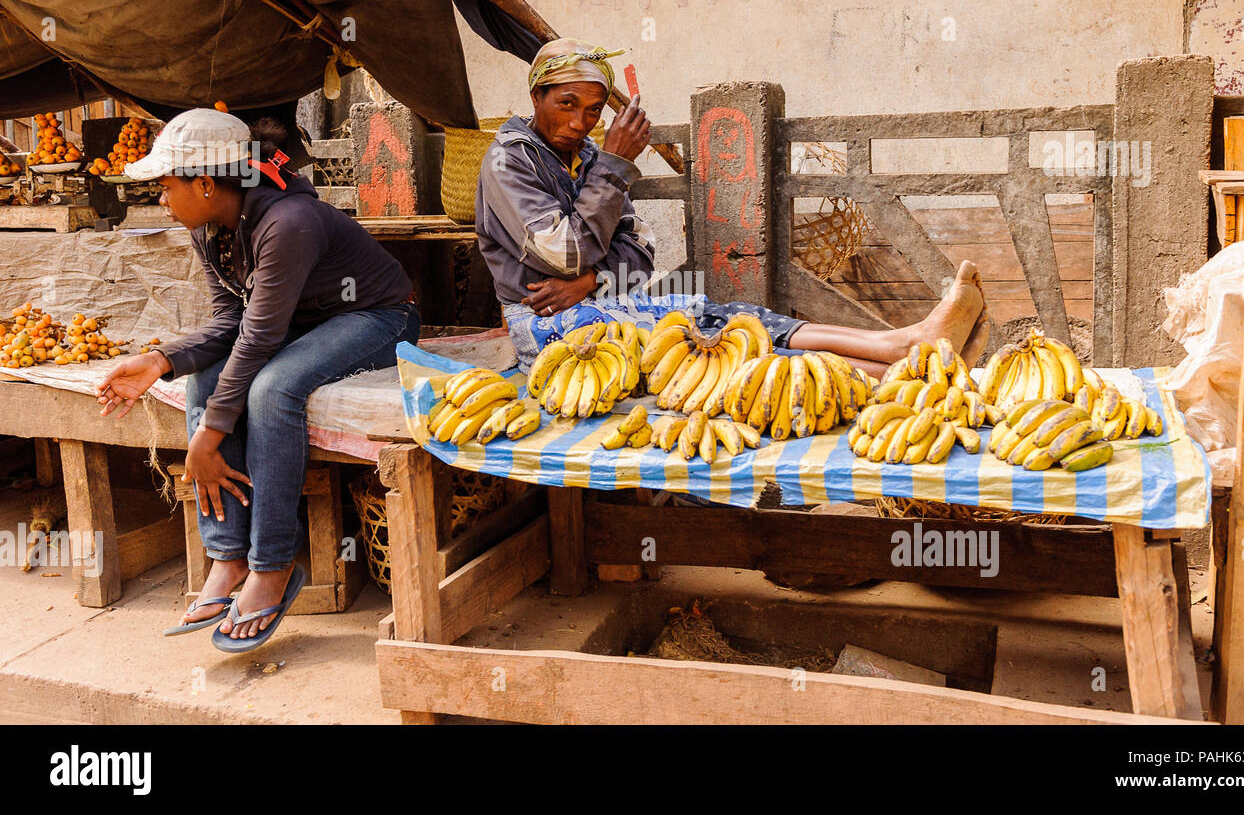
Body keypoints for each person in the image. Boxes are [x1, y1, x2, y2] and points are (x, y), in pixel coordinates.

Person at [95, 109, 420, 652]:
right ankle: (228, 558)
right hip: (302, 324)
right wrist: (161, 361)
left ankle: (273, 563)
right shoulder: (208, 227)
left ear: (204, 182)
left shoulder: (287, 221)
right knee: (202, 381)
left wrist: (207, 437)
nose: (160, 198)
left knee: (272, 389)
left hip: (377, 318)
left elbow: (260, 338)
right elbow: (231, 322)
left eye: (165, 185)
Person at [476, 38, 990, 374]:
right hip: (541, 328)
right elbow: (563, 255)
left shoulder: (589, 156)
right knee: (713, 338)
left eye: (592, 110)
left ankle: (903, 352)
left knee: (733, 322)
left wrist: (592, 280)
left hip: (596, 302)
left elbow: (642, 249)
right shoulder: (509, 162)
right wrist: (613, 166)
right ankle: (901, 357)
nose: (580, 122)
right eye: (566, 104)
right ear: (537, 96)